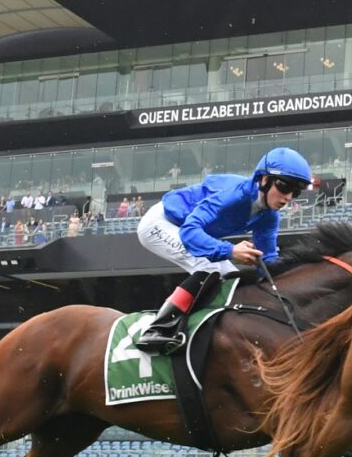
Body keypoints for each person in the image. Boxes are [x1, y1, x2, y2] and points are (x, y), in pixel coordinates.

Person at [133, 147, 312, 354]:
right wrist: (230, 251)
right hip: (161, 223)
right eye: (284, 187)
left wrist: (288, 293)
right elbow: (190, 233)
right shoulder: (234, 194)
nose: (288, 197)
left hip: (184, 229)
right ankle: (158, 328)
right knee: (209, 268)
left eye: (295, 191)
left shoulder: (269, 217)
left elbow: (269, 261)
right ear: (263, 180)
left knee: (231, 278)